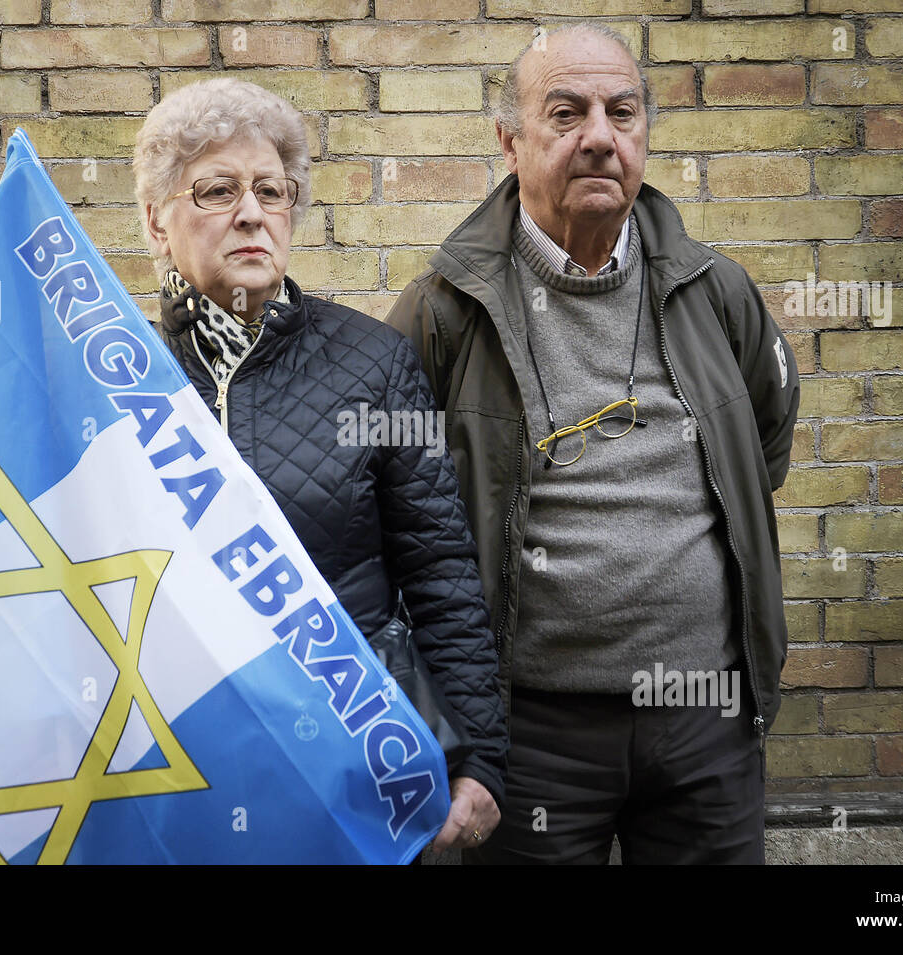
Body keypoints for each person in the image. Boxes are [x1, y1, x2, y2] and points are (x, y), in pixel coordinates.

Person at [387, 24, 800, 864]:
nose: (600, 138)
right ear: (510, 141)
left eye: (623, 111)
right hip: (529, 729)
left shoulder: (712, 289)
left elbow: (761, 442)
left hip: (706, 721)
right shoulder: (445, 309)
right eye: (566, 113)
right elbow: (399, 504)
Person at [133, 78, 505, 854]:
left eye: (273, 190)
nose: (251, 212)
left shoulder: (374, 364)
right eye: (216, 190)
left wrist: (476, 758)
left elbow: (440, 571)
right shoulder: (118, 381)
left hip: (344, 761)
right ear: (155, 222)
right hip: (169, 767)